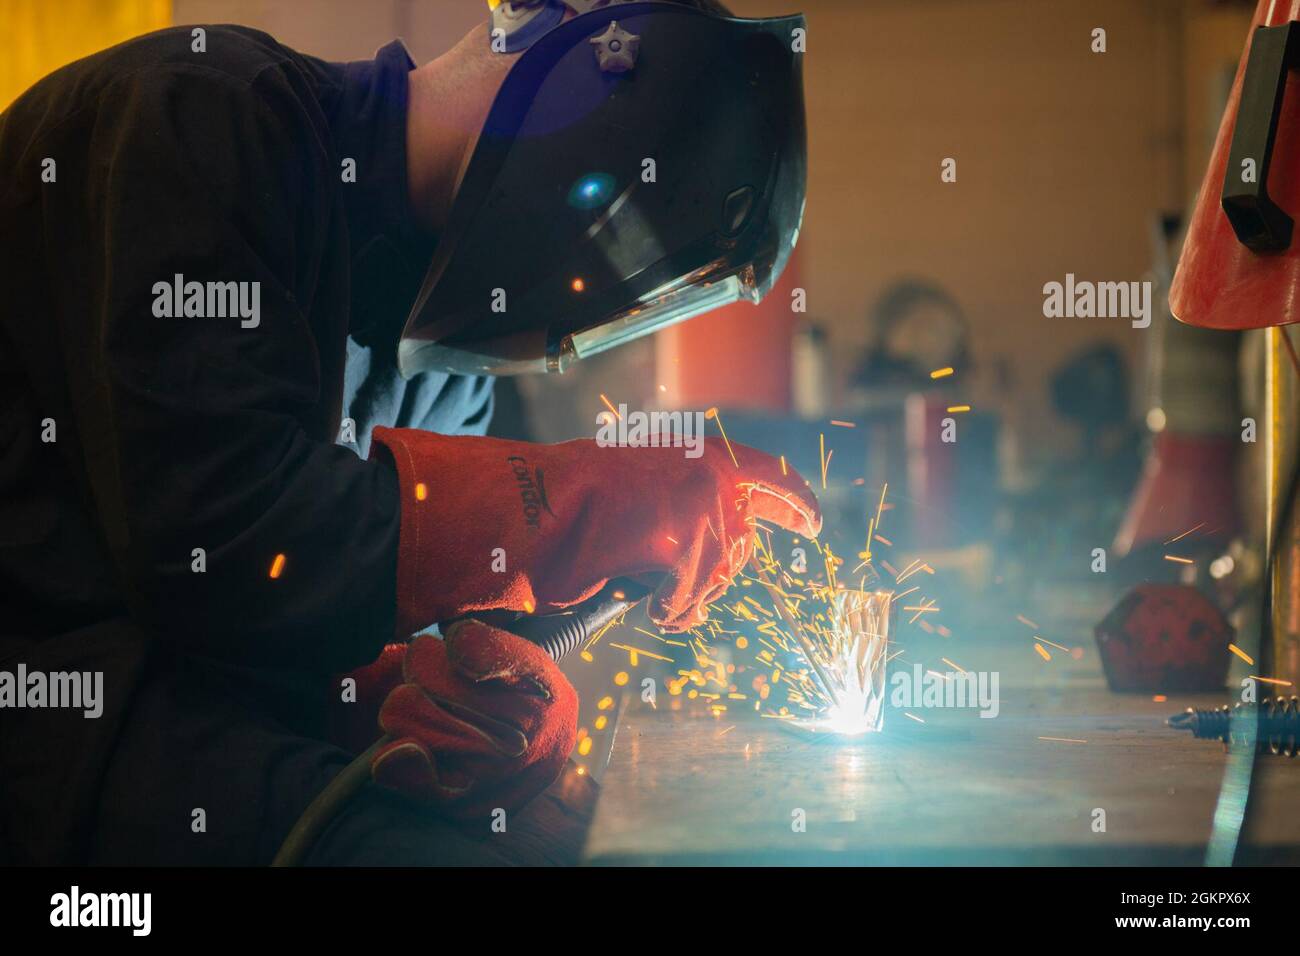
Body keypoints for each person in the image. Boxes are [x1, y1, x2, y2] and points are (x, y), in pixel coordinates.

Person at [0, 0, 813, 864]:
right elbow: (216, 536)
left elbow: (334, 625)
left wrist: (425, 698)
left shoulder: (448, 372)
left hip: (194, 716)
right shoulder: (199, 116)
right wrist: (569, 504)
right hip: (56, 706)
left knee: (570, 842)